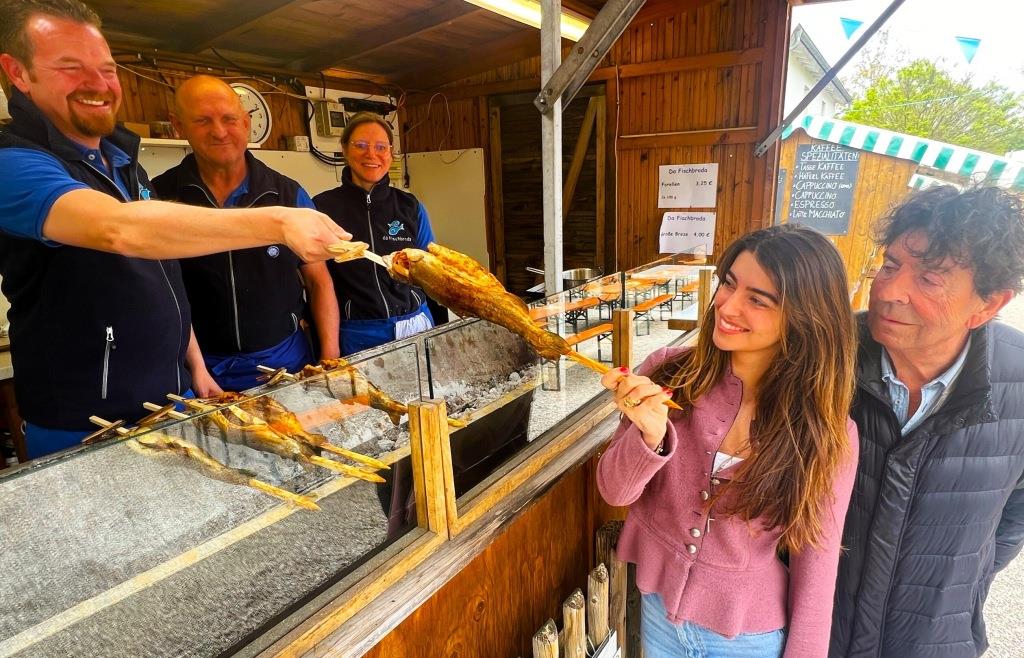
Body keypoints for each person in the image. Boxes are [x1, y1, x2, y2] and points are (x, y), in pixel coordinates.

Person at [0, 0, 351, 458]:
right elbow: (119, 230)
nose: (96, 83)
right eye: (70, 67)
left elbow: (162, 278)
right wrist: (279, 221)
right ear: (19, 73)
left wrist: (194, 370)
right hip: (88, 424)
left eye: (106, 69)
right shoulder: (14, 163)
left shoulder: (127, 167)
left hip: (171, 400)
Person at [598, 224, 859, 657]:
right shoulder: (669, 375)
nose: (727, 306)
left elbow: (818, 562)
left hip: (749, 639)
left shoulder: (828, 432)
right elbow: (615, 490)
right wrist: (649, 435)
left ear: (806, 318)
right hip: (658, 617)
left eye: (758, 300)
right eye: (728, 283)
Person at [829, 186, 1024, 658]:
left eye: (931, 278)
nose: (890, 291)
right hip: (815, 637)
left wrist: (959, 585)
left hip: (936, 643)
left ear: (989, 304)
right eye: (891, 264)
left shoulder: (1017, 384)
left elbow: (1013, 516)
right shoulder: (825, 356)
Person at [153, 75, 339, 392]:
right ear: (178, 126)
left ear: (246, 123)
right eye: (202, 121)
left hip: (286, 360)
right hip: (201, 369)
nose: (219, 131)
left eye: (228, 119)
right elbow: (161, 293)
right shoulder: (159, 196)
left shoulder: (287, 194)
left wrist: (330, 355)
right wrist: (195, 369)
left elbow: (318, 280)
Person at [313, 112, 440, 356]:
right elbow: (315, 279)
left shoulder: (410, 206)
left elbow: (430, 267)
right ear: (344, 150)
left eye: (381, 147)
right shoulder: (322, 208)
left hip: (414, 323)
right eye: (360, 145)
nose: (371, 154)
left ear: (390, 153)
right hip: (357, 331)